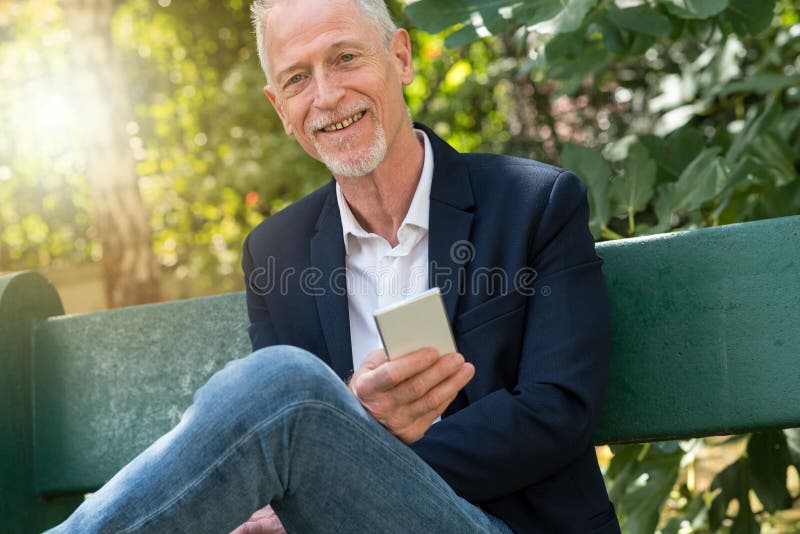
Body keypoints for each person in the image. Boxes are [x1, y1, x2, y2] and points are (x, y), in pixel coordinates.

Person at [48, 0, 619, 532]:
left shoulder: (532, 203)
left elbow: (555, 410)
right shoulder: (275, 250)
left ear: (400, 58)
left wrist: (353, 449)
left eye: (345, 58)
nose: (326, 95)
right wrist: (342, 424)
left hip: (510, 523)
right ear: (280, 109)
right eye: (297, 78)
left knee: (280, 382)